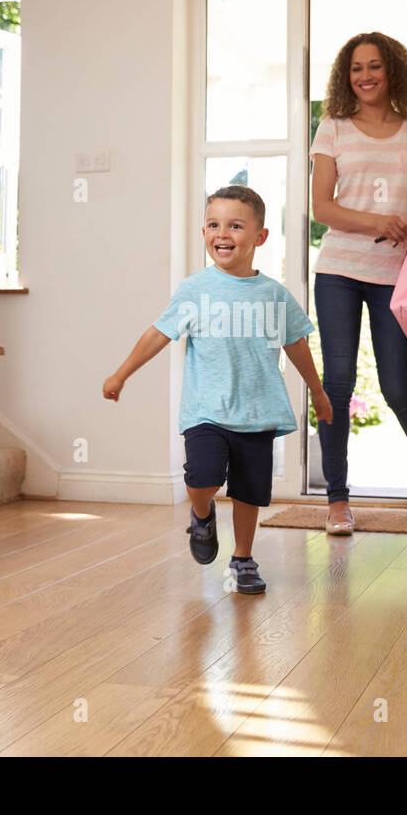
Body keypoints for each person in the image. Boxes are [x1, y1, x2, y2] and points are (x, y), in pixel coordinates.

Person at [103, 184, 332, 594]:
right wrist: (122, 374)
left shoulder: (274, 295)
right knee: (203, 475)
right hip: (206, 410)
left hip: (256, 412)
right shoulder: (196, 289)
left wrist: (317, 391)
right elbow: (159, 333)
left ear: (260, 237)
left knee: (249, 492)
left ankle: (243, 559)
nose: (222, 233)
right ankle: (201, 513)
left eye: (235, 226)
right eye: (213, 224)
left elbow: (296, 343)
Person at [309, 32, 407, 535]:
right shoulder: (333, 129)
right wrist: (377, 222)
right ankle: (337, 501)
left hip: (396, 276)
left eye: (375, 67)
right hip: (339, 271)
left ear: (394, 72)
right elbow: (321, 208)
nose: (364, 76)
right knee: (337, 383)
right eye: (355, 68)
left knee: (397, 386)